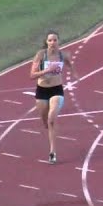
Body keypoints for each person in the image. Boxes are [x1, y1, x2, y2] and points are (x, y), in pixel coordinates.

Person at [27, 30, 69, 164]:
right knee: (46, 122)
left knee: (52, 119)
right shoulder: (40, 55)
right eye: (50, 40)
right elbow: (32, 75)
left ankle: (52, 152)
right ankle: (47, 124)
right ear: (46, 42)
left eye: (55, 40)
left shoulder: (63, 55)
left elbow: (70, 63)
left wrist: (75, 73)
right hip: (42, 91)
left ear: (59, 41)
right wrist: (47, 70)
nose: (52, 42)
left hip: (57, 90)